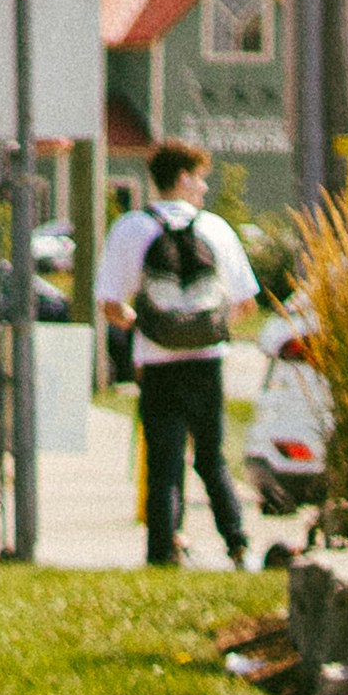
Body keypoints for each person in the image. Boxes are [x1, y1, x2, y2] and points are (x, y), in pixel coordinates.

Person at [93, 145, 256, 569]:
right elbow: (245, 303)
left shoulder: (131, 228)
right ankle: (236, 542)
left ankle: (163, 550)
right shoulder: (217, 229)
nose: (203, 187)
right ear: (182, 177)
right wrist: (209, 325)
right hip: (207, 360)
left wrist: (143, 322)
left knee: (164, 459)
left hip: (158, 362)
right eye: (199, 177)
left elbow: (111, 304)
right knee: (211, 456)